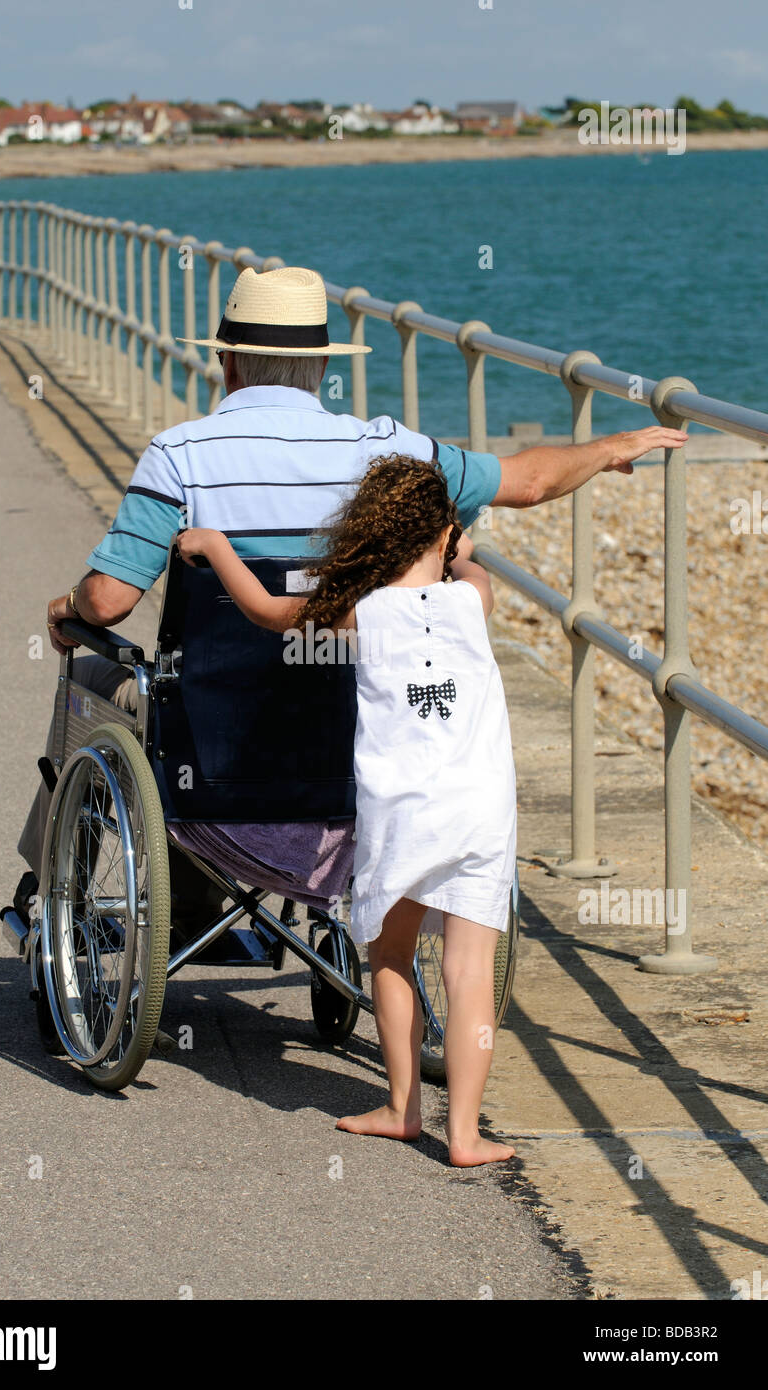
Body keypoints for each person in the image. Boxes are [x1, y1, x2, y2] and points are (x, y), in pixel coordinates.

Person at [13, 262, 687, 928]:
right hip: (362, 732)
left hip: (220, 742)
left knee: (103, 677)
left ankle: (55, 887)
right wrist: (605, 448)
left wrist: (65, 609)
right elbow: (528, 482)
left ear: (227, 364)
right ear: (319, 369)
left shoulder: (180, 455)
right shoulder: (386, 453)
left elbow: (106, 603)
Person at [175, 454, 518, 1167]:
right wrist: (462, 551)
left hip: (401, 809)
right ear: (444, 535)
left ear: (370, 533)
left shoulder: (361, 609)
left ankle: (401, 1109)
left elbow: (269, 614)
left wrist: (214, 547)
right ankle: (464, 1135)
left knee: (391, 955)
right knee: (469, 971)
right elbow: (473, 569)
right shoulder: (471, 599)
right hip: (480, 805)